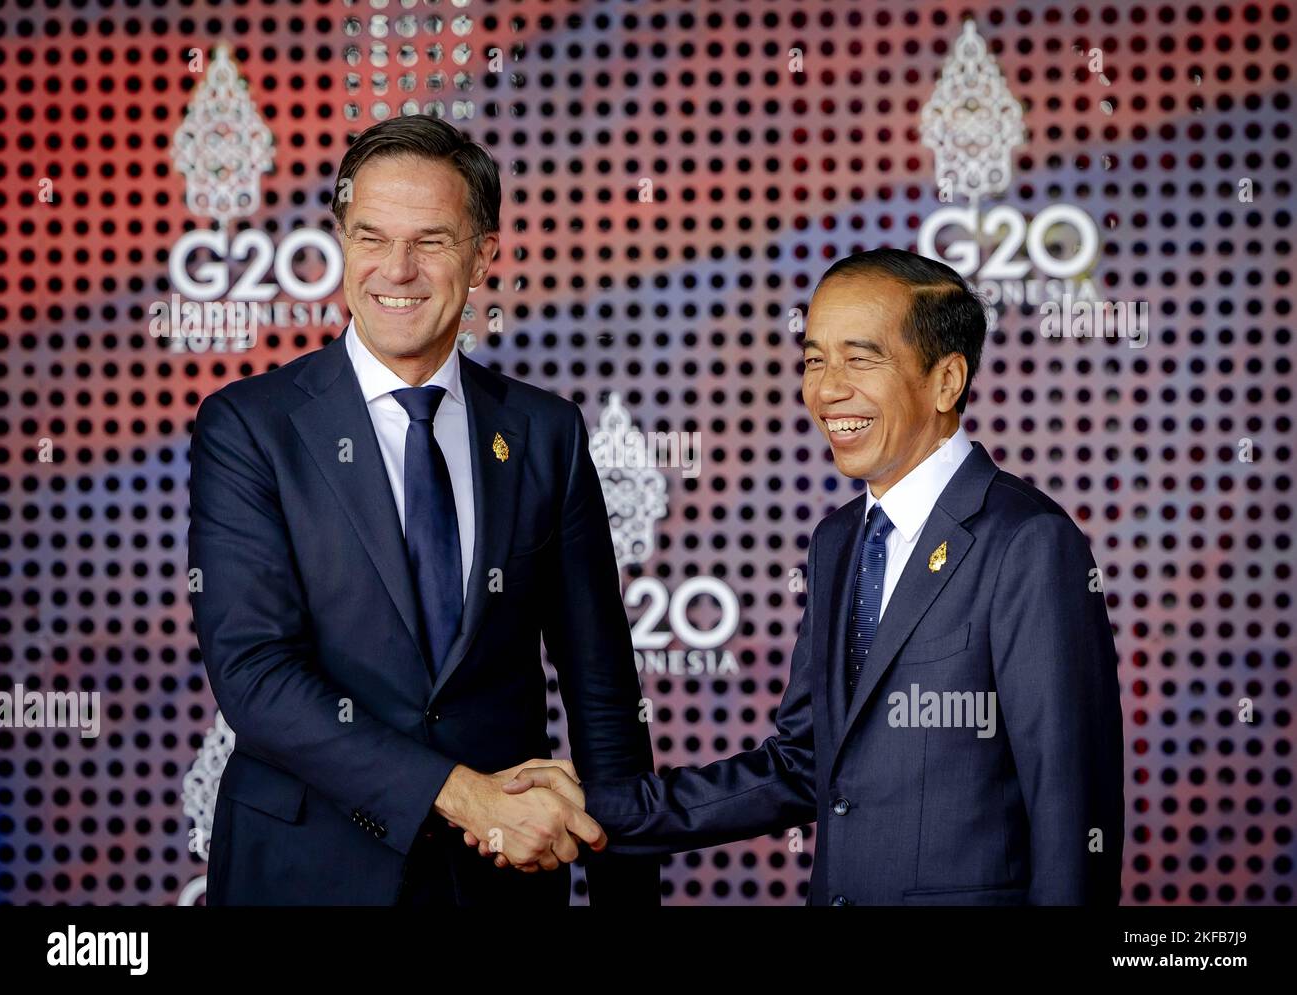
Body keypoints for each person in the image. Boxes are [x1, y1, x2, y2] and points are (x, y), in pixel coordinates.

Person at [485, 248, 1126, 905]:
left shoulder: (1027, 542)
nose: (827, 389)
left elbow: (1074, 813)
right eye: (815, 358)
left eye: (861, 357)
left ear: (947, 379)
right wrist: (602, 806)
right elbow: (800, 763)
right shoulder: (839, 541)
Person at [188, 114, 658, 906]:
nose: (396, 269)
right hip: (302, 873)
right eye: (371, 236)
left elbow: (603, 691)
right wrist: (461, 793)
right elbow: (255, 675)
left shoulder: (546, 433)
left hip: (500, 887)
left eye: (432, 240)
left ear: (483, 257)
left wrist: (627, 898)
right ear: (340, 242)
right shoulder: (250, 426)